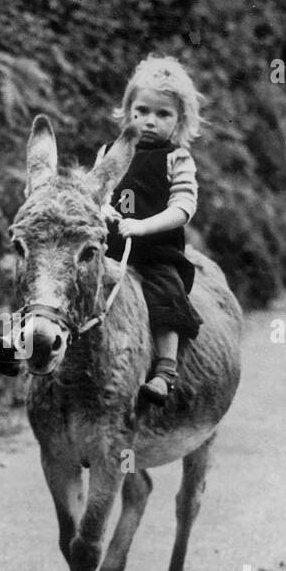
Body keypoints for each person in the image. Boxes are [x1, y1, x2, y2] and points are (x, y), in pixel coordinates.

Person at [101, 54, 204, 405]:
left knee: (166, 295)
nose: (149, 121)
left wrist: (144, 226)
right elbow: (94, 192)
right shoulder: (111, 152)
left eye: (163, 114)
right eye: (142, 110)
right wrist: (103, 210)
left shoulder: (177, 159)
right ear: (128, 109)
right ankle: (24, 339)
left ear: (179, 121)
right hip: (110, 248)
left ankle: (165, 371)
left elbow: (183, 207)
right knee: (64, 277)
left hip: (156, 253)